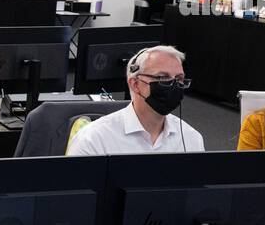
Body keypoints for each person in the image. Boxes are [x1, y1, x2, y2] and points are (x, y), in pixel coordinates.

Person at [67, 44, 205, 155]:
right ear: (135, 84)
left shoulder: (190, 138)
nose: (174, 85)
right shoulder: (95, 138)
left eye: (179, 79)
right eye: (163, 77)